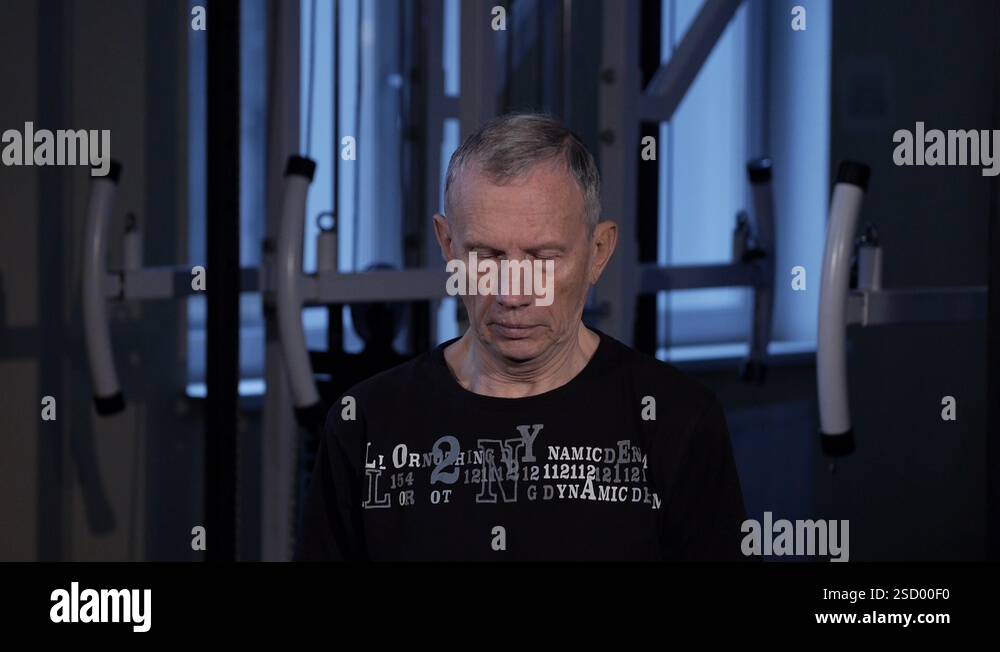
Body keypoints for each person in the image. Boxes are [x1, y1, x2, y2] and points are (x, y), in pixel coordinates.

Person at [296, 113, 747, 561]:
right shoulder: (366, 423)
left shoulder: (676, 421)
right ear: (449, 246)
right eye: (486, 256)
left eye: (544, 258)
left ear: (598, 253)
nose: (513, 294)